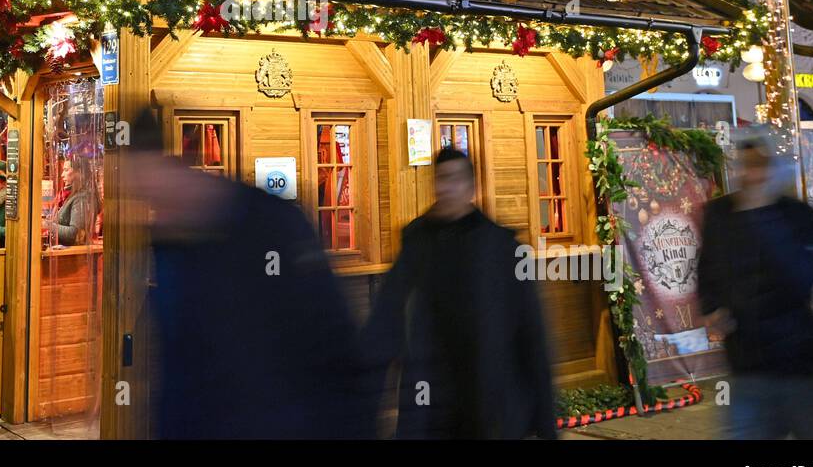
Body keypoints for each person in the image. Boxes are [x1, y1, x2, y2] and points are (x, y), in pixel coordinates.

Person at [126, 109, 369, 438]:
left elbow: (334, 343)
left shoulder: (272, 225)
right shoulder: (168, 249)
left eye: (144, 178)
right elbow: (177, 372)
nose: (150, 196)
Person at [361, 147, 556, 439]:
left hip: (487, 396)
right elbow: (387, 317)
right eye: (440, 179)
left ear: (470, 187)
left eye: (454, 179)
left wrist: (546, 423)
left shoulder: (502, 248)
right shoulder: (417, 243)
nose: (446, 187)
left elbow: (531, 333)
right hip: (429, 398)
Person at [698, 127, 813, 439]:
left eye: (758, 166)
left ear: (772, 169)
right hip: (744, 363)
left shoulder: (796, 215)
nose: (749, 175)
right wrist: (712, 308)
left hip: (797, 363)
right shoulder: (719, 214)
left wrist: (762, 217)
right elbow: (706, 269)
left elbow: (802, 277)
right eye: (743, 165)